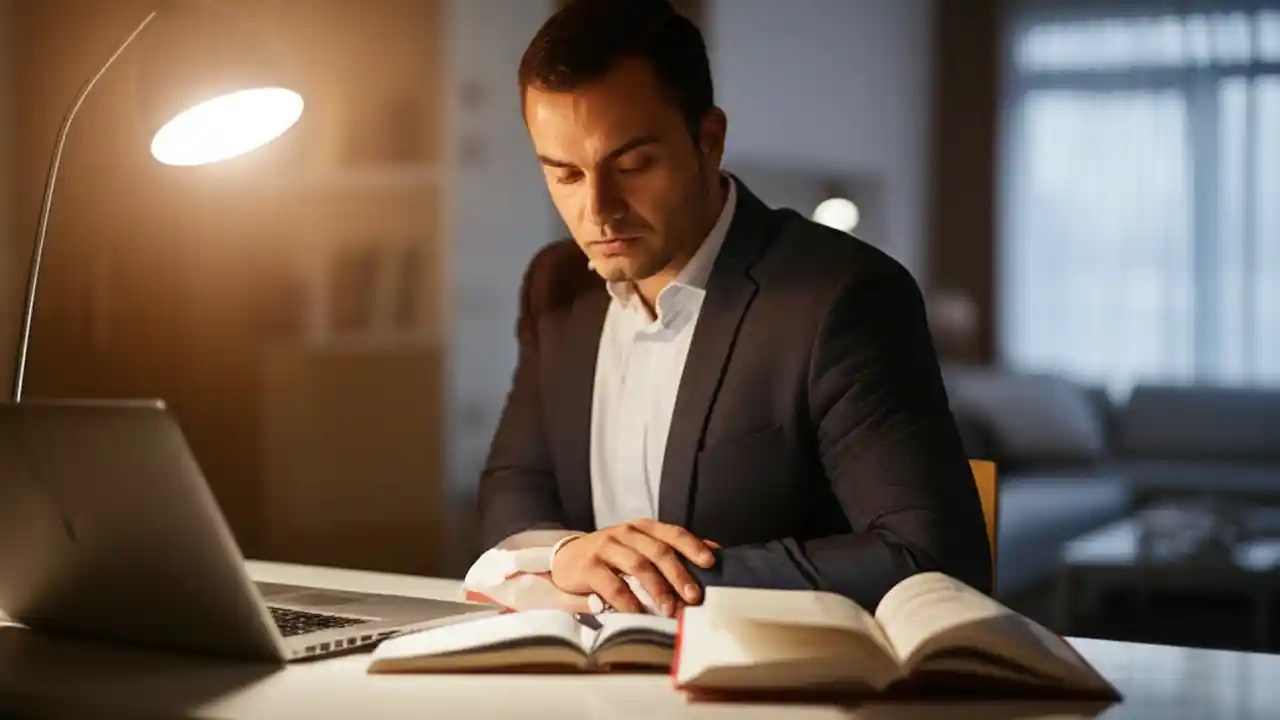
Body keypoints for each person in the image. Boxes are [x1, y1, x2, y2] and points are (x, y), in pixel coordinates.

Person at [468, 0, 990, 618]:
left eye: (632, 166)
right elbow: (513, 488)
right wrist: (565, 555)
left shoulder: (843, 297)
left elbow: (932, 556)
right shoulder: (557, 286)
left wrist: (660, 578)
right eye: (565, 175)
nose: (598, 210)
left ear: (709, 140)